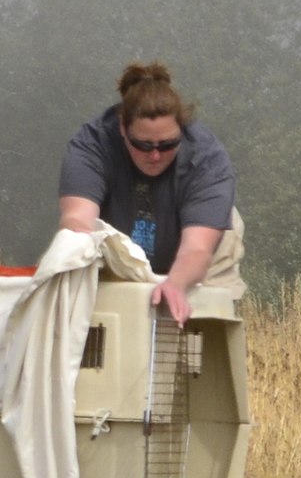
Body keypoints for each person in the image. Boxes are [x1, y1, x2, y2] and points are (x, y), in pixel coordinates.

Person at [59, 62, 241, 325]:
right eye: (143, 145)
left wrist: (176, 284)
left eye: (167, 145)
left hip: (199, 247)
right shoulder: (92, 144)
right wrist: (77, 256)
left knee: (195, 318)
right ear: (123, 128)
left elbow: (198, 248)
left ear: (182, 129)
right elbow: (77, 220)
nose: (155, 156)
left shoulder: (208, 158)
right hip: (116, 243)